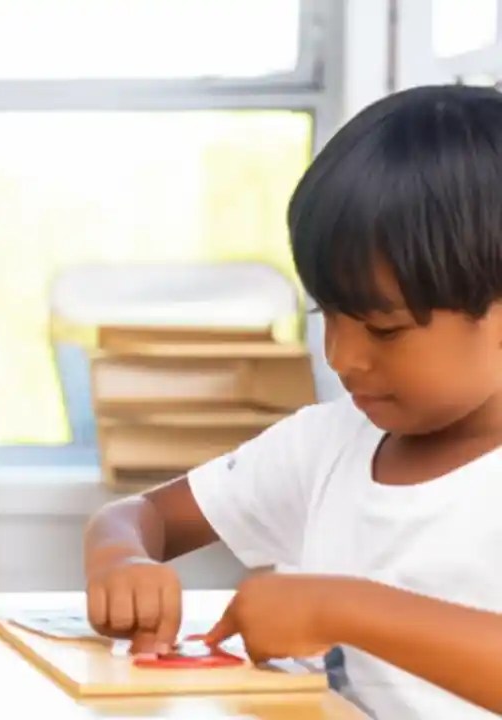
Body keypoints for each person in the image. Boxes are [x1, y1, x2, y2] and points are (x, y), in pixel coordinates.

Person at [82, 84, 502, 719]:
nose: (342, 356)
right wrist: (123, 560)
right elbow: (138, 516)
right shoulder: (325, 445)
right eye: (328, 314)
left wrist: (341, 609)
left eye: (384, 328)